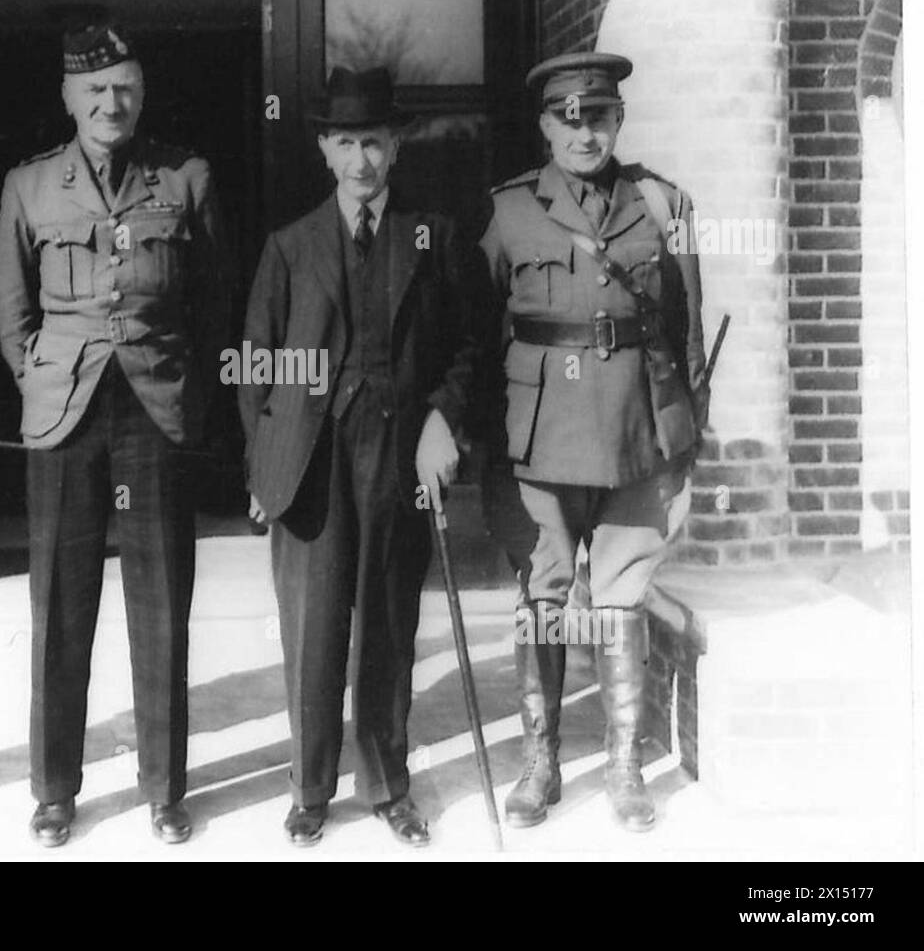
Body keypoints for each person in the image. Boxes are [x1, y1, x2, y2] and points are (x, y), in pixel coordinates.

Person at [0, 23, 230, 847]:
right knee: (60, 606)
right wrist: (41, 382)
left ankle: (165, 787)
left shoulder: (185, 177)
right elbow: (11, 304)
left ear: (142, 93)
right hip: (65, 413)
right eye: (94, 90)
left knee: (162, 605)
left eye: (124, 87)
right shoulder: (28, 185)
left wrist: (187, 387)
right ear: (68, 97)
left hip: (156, 409)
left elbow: (215, 302)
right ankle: (55, 788)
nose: (110, 103)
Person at [241, 67, 486, 847]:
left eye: (374, 142)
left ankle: (386, 782)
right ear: (323, 148)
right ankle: (310, 788)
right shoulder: (290, 245)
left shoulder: (434, 235)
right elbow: (257, 364)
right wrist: (263, 466)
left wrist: (444, 419)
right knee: (313, 628)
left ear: (396, 144)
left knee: (386, 618)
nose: (361, 161)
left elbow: (469, 347)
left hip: (399, 450)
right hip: (311, 462)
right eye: (345, 142)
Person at [479, 52, 708, 832]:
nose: (585, 133)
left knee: (622, 596)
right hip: (542, 436)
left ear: (619, 120)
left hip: (637, 430)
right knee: (544, 597)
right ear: (545, 126)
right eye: (568, 119)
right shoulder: (510, 210)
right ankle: (540, 762)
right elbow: (480, 336)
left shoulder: (660, 202)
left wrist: (685, 429)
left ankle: (624, 764)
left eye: (599, 117)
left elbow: (686, 324)